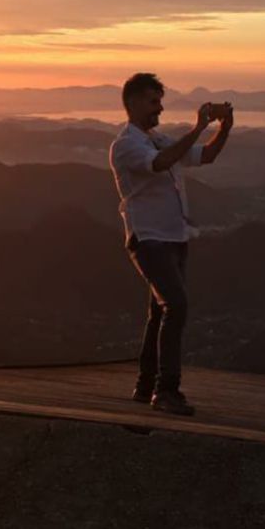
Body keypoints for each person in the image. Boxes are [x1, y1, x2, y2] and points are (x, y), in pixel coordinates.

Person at [108, 73, 233, 416]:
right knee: (176, 306)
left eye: (159, 102)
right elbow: (159, 164)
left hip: (174, 237)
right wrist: (198, 125)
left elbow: (205, 156)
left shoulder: (157, 139)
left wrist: (226, 126)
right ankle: (167, 390)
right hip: (148, 239)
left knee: (159, 312)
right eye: (153, 102)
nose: (159, 108)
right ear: (132, 103)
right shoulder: (126, 145)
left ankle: (145, 385)